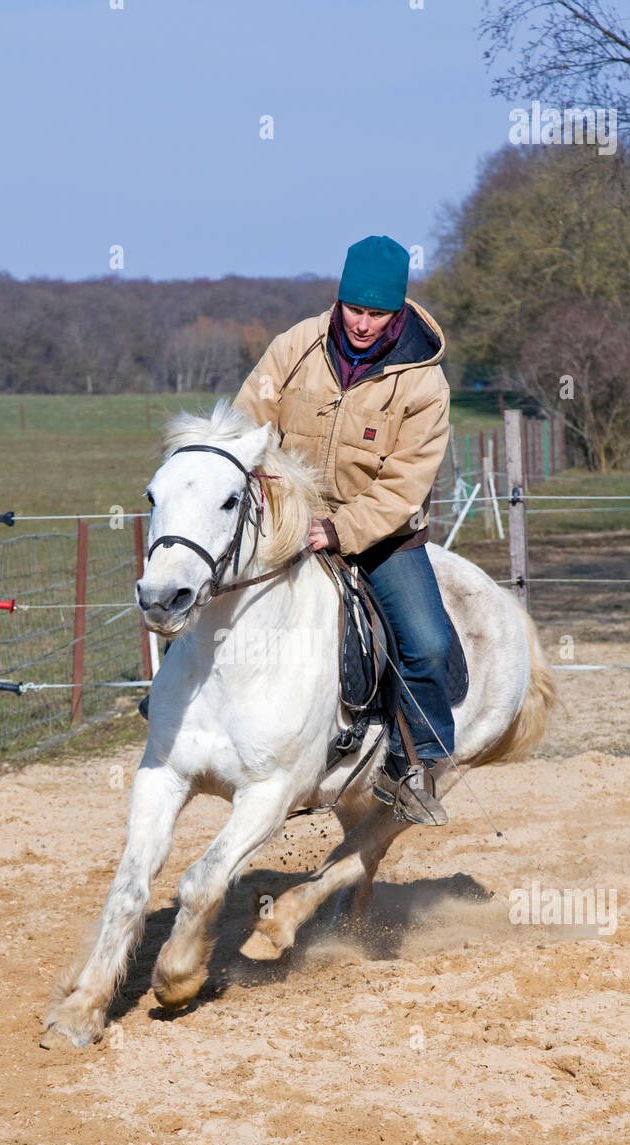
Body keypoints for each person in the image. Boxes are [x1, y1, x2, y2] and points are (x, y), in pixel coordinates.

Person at [233, 234, 454, 825]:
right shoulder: (295, 346)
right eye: (354, 308)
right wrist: (268, 503)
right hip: (287, 517)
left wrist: (340, 530)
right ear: (340, 299)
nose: (361, 323)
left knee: (427, 641)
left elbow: (406, 486)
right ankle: (179, 698)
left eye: (376, 313)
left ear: (399, 310)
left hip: (380, 534)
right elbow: (246, 424)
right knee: (201, 579)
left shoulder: (424, 383)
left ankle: (419, 761)